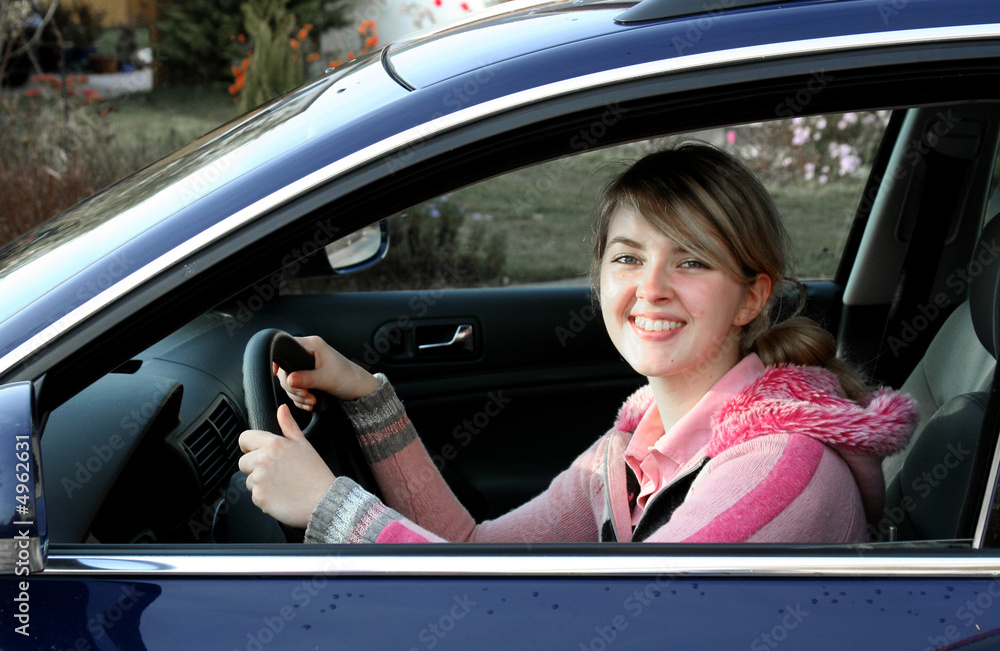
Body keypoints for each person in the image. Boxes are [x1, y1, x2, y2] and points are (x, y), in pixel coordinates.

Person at [238, 142, 917, 544]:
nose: (650, 288)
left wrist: (333, 508)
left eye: (692, 261)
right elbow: (475, 553)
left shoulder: (777, 471)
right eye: (627, 258)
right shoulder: (638, 442)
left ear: (751, 294)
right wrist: (367, 398)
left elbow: (593, 629)